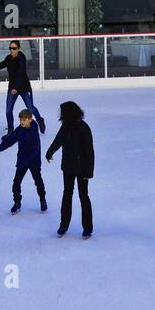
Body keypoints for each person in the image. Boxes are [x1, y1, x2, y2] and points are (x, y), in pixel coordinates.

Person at [46, 100, 94, 238]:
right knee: (67, 195)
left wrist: (88, 172)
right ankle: (64, 224)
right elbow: (58, 140)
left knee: (83, 196)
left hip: (82, 169)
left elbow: (90, 152)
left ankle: (88, 227)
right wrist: (50, 152)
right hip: (68, 167)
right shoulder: (65, 127)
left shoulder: (84, 128)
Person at [0, 108, 46, 214]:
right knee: (16, 183)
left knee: (38, 181)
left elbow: (36, 147)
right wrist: (1, 147)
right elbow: (10, 139)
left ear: (30, 120)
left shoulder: (34, 130)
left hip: (33, 161)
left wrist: (33, 159)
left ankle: (42, 199)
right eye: (20, 120)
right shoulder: (19, 130)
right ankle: (17, 202)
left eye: (24, 120)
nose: (22, 122)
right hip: (22, 160)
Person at [0, 41, 44, 134]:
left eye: (14, 48)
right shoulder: (8, 58)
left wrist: (16, 87)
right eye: (10, 48)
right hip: (12, 87)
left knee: (30, 108)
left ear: (18, 49)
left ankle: (40, 120)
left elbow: (21, 73)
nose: (12, 50)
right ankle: (10, 131)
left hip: (24, 87)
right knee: (8, 110)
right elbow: (3, 64)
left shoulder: (21, 58)